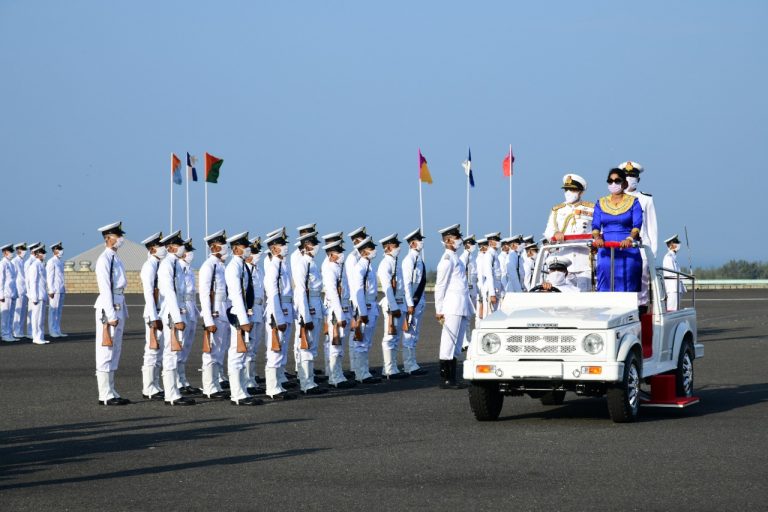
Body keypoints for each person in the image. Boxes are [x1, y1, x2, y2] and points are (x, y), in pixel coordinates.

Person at [224, 232, 263, 406]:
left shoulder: (242, 266)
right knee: (237, 354)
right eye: (245, 246)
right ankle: (237, 394)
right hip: (239, 315)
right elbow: (236, 294)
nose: (248, 249)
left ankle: (242, 390)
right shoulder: (234, 267)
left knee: (243, 353)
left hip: (245, 313)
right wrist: (244, 319)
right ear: (236, 249)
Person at [94, 222, 130, 405]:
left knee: (115, 350)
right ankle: (104, 394)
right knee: (106, 350)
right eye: (117, 236)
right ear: (108, 238)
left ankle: (111, 389)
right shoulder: (104, 259)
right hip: (109, 307)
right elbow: (105, 289)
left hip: (118, 303)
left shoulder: (115, 257)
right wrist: (111, 315)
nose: (120, 239)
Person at [157, 231, 195, 406]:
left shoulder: (175, 265)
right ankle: (171, 395)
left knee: (176, 352)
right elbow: (169, 292)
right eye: (179, 244)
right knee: (171, 353)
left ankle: (175, 391)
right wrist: (177, 316)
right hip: (172, 314)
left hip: (178, 311)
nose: (182, 248)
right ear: (171, 247)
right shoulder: (167, 265)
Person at [592, 168, 643, 292]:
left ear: (624, 183)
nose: (613, 184)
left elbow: (637, 224)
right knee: (605, 275)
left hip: (627, 245)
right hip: (606, 246)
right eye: (610, 181)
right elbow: (595, 225)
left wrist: (630, 238)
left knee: (628, 277)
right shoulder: (601, 202)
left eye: (617, 180)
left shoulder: (634, 202)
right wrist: (597, 238)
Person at [262, 229, 298, 400]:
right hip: (278, 312)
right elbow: (273, 293)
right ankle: (272, 387)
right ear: (274, 248)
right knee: (275, 349)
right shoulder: (273, 266)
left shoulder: (281, 264)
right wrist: (279, 317)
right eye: (282, 245)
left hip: (285, 309)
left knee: (281, 348)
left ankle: (278, 383)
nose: (285, 247)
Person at [543, 173, 595, 291]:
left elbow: (597, 231)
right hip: (563, 262)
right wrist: (555, 234)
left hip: (584, 262)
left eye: (572, 189)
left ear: (580, 192)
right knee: (563, 295)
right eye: (566, 189)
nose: (568, 192)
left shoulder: (591, 209)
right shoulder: (557, 210)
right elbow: (548, 231)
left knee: (584, 298)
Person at [292, 231, 328, 395]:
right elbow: (301, 291)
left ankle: (309, 379)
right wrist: (306, 316)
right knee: (306, 345)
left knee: (312, 346)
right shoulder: (303, 264)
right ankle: (306, 383)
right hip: (309, 309)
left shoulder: (311, 263)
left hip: (316, 306)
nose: (317, 247)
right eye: (314, 244)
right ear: (307, 246)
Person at [434, 224, 469, 390]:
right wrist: (439, 310)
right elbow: (440, 286)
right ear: (448, 240)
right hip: (451, 307)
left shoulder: (456, 258)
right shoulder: (446, 260)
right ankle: (446, 379)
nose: (459, 240)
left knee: (457, 343)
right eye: (456, 238)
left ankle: (453, 377)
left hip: (461, 305)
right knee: (448, 342)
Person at [620, 161, 658, 309]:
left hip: (641, 247)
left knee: (641, 281)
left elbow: (652, 227)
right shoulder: (614, 199)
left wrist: (652, 254)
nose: (630, 178)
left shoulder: (646, 199)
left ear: (638, 179)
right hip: (620, 246)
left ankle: (641, 310)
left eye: (633, 175)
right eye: (627, 175)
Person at [198, 230, 231, 400]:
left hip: (223, 309)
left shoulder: (221, 265)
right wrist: (208, 319)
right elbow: (204, 294)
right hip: (215, 311)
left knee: (220, 350)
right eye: (223, 244)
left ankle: (216, 384)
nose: (226, 247)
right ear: (215, 247)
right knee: (211, 352)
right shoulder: (208, 266)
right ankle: (209, 387)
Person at [321, 238, 356, 389]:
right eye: (338, 252)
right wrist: (340, 315)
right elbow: (333, 294)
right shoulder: (329, 269)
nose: (341, 254)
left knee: (339, 345)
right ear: (330, 254)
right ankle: (334, 377)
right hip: (336, 311)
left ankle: (338, 373)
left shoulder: (339, 267)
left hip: (344, 308)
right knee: (335, 345)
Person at [348, 236, 381, 384]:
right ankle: (361, 374)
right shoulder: (360, 268)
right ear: (363, 252)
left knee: (366, 342)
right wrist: (362, 313)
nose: (374, 251)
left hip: (371, 306)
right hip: (365, 308)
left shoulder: (368, 266)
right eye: (371, 248)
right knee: (361, 343)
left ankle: (364, 370)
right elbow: (358, 292)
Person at [377, 233, 408, 380]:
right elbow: (387, 288)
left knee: (396, 337)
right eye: (396, 246)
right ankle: (388, 369)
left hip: (400, 303)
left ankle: (393, 367)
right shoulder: (385, 263)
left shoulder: (395, 262)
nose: (399, 248)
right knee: (390, 336)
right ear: (388, 247)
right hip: (392, 304)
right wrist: (394, 306)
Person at [139, 232, 165, 400]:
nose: (164, 249)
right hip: (153, 312)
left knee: (159, 351)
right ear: (153, 248)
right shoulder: (149, 266)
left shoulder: (159, 265)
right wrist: (153, 315)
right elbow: (149, 293)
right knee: (152, 350)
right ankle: (148, 388)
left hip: (160, 311)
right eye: (160, 246)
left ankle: (155, 385)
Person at [401, 228, 429, 375]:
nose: (421, 243)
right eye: (419, 240)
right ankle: (408, 365)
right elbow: (406, 284)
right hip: (412, 303)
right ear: (412, 244)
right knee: (409, 334)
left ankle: (413, 362)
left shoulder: (419, 260)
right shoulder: (409, 261)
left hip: (419, 302)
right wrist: (410, 304)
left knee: (415, 334)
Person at [177, 238, 202, 396]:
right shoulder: (178, 268)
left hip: (191, 308)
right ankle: (177, 381)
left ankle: (183, 378)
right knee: (179, 345)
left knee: (187, 346)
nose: (191, 254)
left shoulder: (188, 269)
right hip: (183, 309)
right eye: (188, 251)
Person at [243, 237, 267, 395]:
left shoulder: (257, 269)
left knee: (255, 347)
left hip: (259, 310)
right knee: (248, 348)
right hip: (250, 311)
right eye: (255, 252)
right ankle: (247, 380)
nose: (258, 255)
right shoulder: (244, 269)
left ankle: (251, 378)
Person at [344, 226, 369, 377]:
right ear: (356, 241)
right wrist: (356, 304)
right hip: (355, 299)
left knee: (360, 336)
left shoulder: (362, 257)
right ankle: (355, 367)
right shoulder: (353, 258)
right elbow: (353, 283)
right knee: (356, 334)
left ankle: (361, 366)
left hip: (361, 299)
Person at [26, 244, 48, 345]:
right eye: (42, 253)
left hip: (42, 295)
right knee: (36, 318)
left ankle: (40, 336)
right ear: (37, 254)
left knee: (41, 318)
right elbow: (33, 282)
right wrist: (33, 297)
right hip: (37, 296)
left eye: (44, 253)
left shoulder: (41, 264)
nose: (44, 254)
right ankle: (36, 337)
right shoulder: (34, 266)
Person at [459, 235, 478, 351]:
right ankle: (464, 342)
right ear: (467, 245)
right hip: (467, 291)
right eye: (472, 244)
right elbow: (463, 276)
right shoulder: (464, 257)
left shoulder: (471, 257)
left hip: (472, 290)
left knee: (469, 317)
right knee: (465, 318)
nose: (474, 246)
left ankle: (468, 340)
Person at [45, 242, 67, 337]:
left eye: (61, 248)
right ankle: (52, 330)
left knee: (59, 311)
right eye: (59, 249)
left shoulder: (60, 262)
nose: (61, 251)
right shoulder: (51, 261)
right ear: (55, 251)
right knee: (53, 310)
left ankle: (57, 329)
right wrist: (50, 290)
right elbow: (50, 277)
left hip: (61, 289)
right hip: (54, 290)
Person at [663, 235, 687, 311]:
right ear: (671, 245)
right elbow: (672, 274)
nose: (678, 244)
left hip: (677, 288)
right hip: (673, 288)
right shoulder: (668, 257)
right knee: (672, 311)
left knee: (676, 311)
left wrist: (687, 277)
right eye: (676, 242)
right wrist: (686, 277)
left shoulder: (673, 257)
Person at [0, 243, 18, 342]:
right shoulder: (2, 264)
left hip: (12, 293)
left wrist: (15, 292)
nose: (12, 253)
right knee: (5, 316)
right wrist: (1, 295)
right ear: (5, 252)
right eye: (10, 251)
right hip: (5, 294)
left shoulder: (10, 264)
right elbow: (1, 280)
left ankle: (10, 333)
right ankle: (5, 334)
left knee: (11, 316)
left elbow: (13, 280)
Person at [12, 243, 28, 339]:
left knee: (22, 312)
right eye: (23, 249)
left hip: (23, 290)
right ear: (18, 250)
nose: (24, 251)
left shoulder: (22, 261)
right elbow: (14, 277)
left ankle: (20, 330)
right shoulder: (15, 262)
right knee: (17, 313)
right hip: (18, 289)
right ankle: (15, 331)